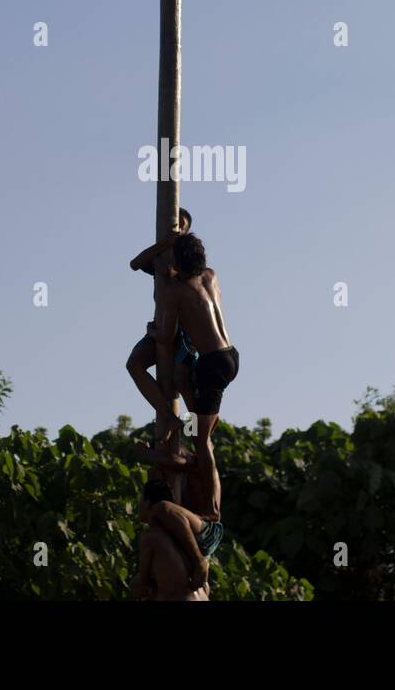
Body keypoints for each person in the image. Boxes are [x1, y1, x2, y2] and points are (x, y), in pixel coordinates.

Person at [156, 231, 238, 538]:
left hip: (211, 363)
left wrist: (165, 289)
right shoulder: (211, 275)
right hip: (230, 355)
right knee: (181, 381)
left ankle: (213, 507)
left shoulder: (176, 291)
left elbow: (166, 336)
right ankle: (194, 429)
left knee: (204, 442)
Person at [126, 208, 198, 444]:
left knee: (181, 384)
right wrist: (163, 245)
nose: (175, 229)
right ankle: (168, 418)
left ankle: (199, 436)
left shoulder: (189, 262)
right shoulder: (158, 259)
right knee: (134, 364)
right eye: (172, 225)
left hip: (184, 334)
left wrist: (173, 272)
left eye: (181, 227)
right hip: (160, 326)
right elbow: (135, 263)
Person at [135, 442, 223, 591]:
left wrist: (146, 453)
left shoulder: (202, 467)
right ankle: (144, 578)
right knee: (152, 530)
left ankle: (199, 562)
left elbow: (176, 461)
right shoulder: (172, 477)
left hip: (207, 530)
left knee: (163, 508)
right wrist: (153, 484)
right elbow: (144, 516)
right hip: (184, 525)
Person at [130, 477, 210, 601]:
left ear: (147, 503)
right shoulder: (188, 538)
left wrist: (136, 582)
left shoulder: (150, 537)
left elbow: (141, 585)